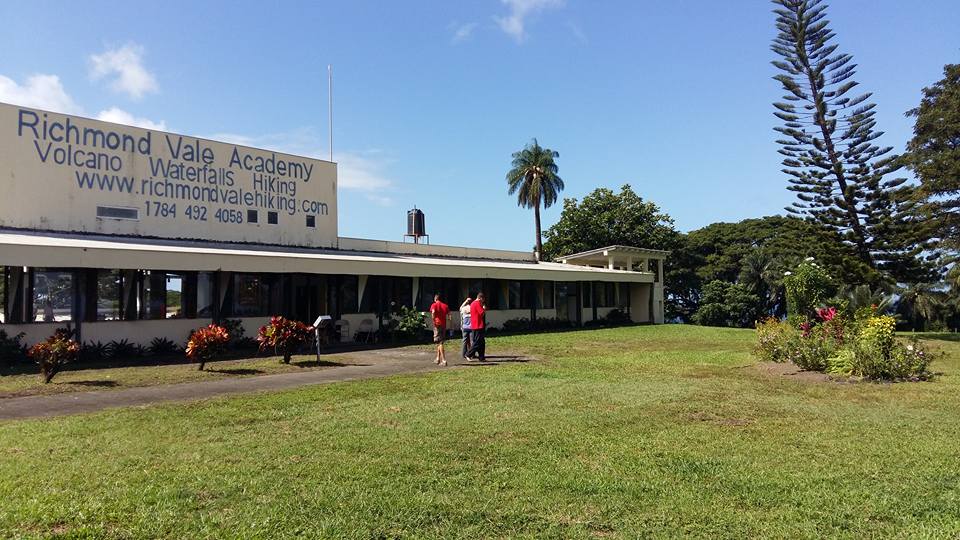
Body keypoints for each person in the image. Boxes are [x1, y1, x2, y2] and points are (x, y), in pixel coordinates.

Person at [429, 293, 450, 366]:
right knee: (440, 342)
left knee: (439, 342)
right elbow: (449, 316)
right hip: (443, 325)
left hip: (437, 325)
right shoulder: (445, 306)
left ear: (435, 299)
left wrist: (434, 320)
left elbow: (433, 312)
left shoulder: (434, 305)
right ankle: (437, 359)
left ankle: (444, 360)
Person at [466, 292, 486, 362]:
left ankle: (481, 357)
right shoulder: (477, 304)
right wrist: (484, 308)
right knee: (477, 342)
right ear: (480, 298)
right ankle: (468, 354)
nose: (483, 301)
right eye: (483, 299)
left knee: (481, 342)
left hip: (475, 325)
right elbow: (482, 313)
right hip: (478, 326)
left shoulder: (472, 303)